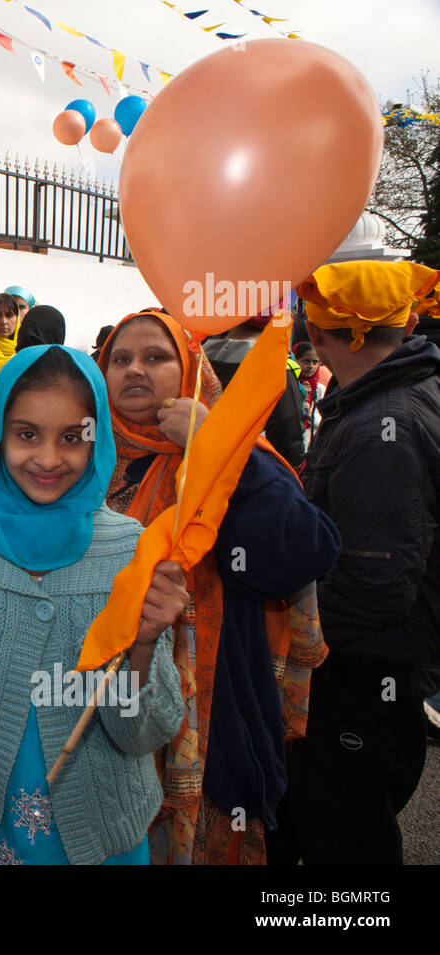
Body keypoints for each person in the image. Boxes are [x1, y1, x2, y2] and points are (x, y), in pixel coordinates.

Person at [0, 344, 187, 865]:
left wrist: (141, 646)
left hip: (100, 833)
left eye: (72, 438)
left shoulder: (130, 550)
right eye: (27, 434)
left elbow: (141, 733)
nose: (49, 458)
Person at [97, 308, 340, 865]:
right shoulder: (86, 456)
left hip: (214, 717)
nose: (135, 370)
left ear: (190, 370)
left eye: (156, 357)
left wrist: (219, 449)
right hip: (108, 713)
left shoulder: (240, 455)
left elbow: (308, 548)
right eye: (120, 359)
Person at [268, 261, 440, 865]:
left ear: (318, 334)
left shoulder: (381, 430)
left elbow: (375, 588)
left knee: (347, 832)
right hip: (376, 665)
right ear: (409, 323)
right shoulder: (385, 397)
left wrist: (295, 636)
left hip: (364, 671)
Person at [203, 314, 307, 470]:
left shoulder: (196, 358)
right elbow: (289, 445)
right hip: (254, 476)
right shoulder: (278, 368)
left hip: (198, 470)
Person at [293, 341, 325, 453]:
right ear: (295, 360)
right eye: (306, 361)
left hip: (310, 443)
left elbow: (323, 423)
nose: (311, 366)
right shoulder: (288, 384)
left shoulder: (319, 389)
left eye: (315, 362)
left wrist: (310, 414)